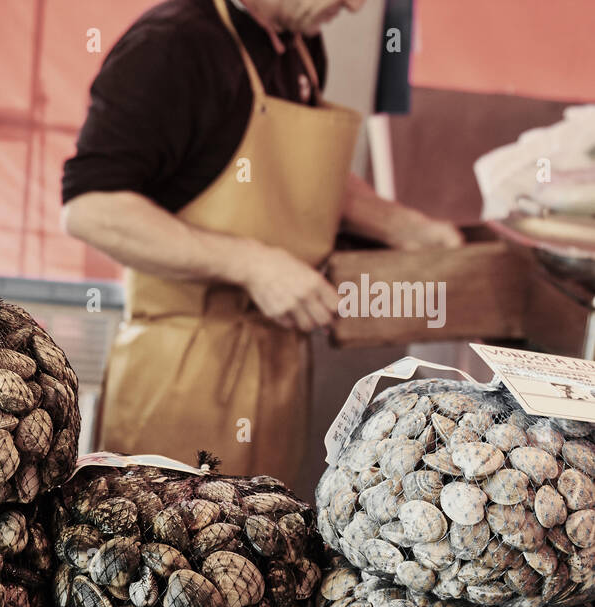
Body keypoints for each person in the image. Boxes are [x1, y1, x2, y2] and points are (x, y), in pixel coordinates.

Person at [62, 0, 462, 483]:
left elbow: (303, 177)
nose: (355, 5)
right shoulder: (173, 44)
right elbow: (92, 208)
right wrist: (253, 265)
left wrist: (407, 229)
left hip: (278, 363)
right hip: (182, 371)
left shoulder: (301, 42)